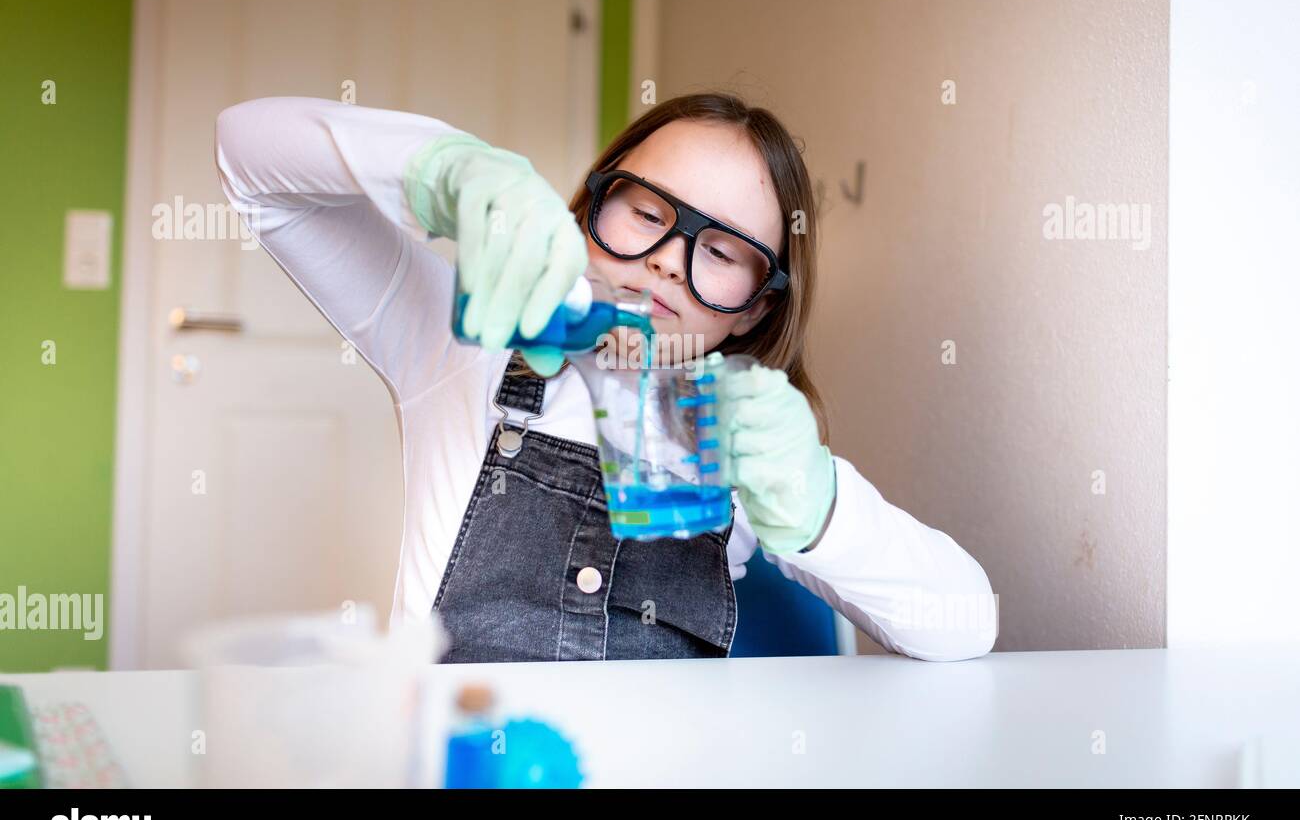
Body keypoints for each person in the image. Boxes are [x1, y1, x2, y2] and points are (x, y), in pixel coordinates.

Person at [214, 94, 996, 663]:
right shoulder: (460, 351)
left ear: (752, 312)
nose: (665, 260)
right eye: (647, 213)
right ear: (589, 206)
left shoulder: (745, 452)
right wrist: (445, 166)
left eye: (721, 254)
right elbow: (247, 153)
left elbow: (965, 622)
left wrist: (822, 508)